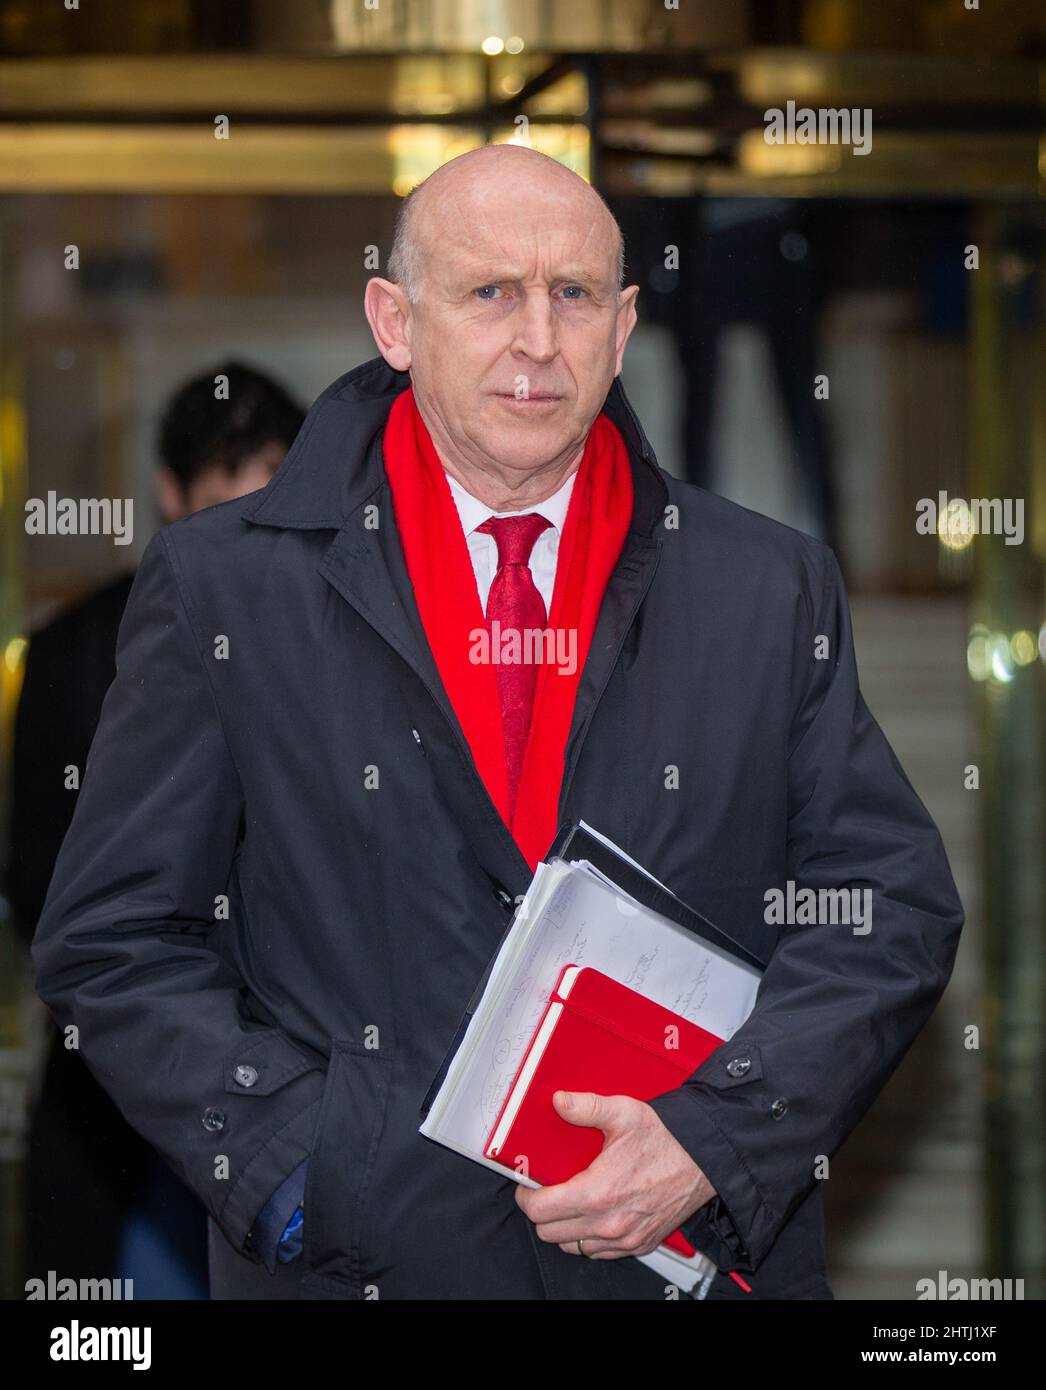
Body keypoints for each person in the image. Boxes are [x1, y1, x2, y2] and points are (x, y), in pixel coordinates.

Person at [31, 145, 964, 1301]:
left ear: (623, 327)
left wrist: (714, 1141)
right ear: (394, 320)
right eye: (488, 293)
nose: (537, 340)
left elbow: (887, 903)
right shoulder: (227, 588)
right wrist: (301, 1169)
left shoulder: (766, 588)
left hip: (676, 1266)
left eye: (572, 294)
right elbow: (111, 937)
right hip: (360, 1268)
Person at [8, 361, 305, 1297]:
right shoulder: (76, 655)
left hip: (298, 1113)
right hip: (132, 1111)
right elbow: (48, 895)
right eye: (229, 517)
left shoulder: (341, 645)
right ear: (170, 497)